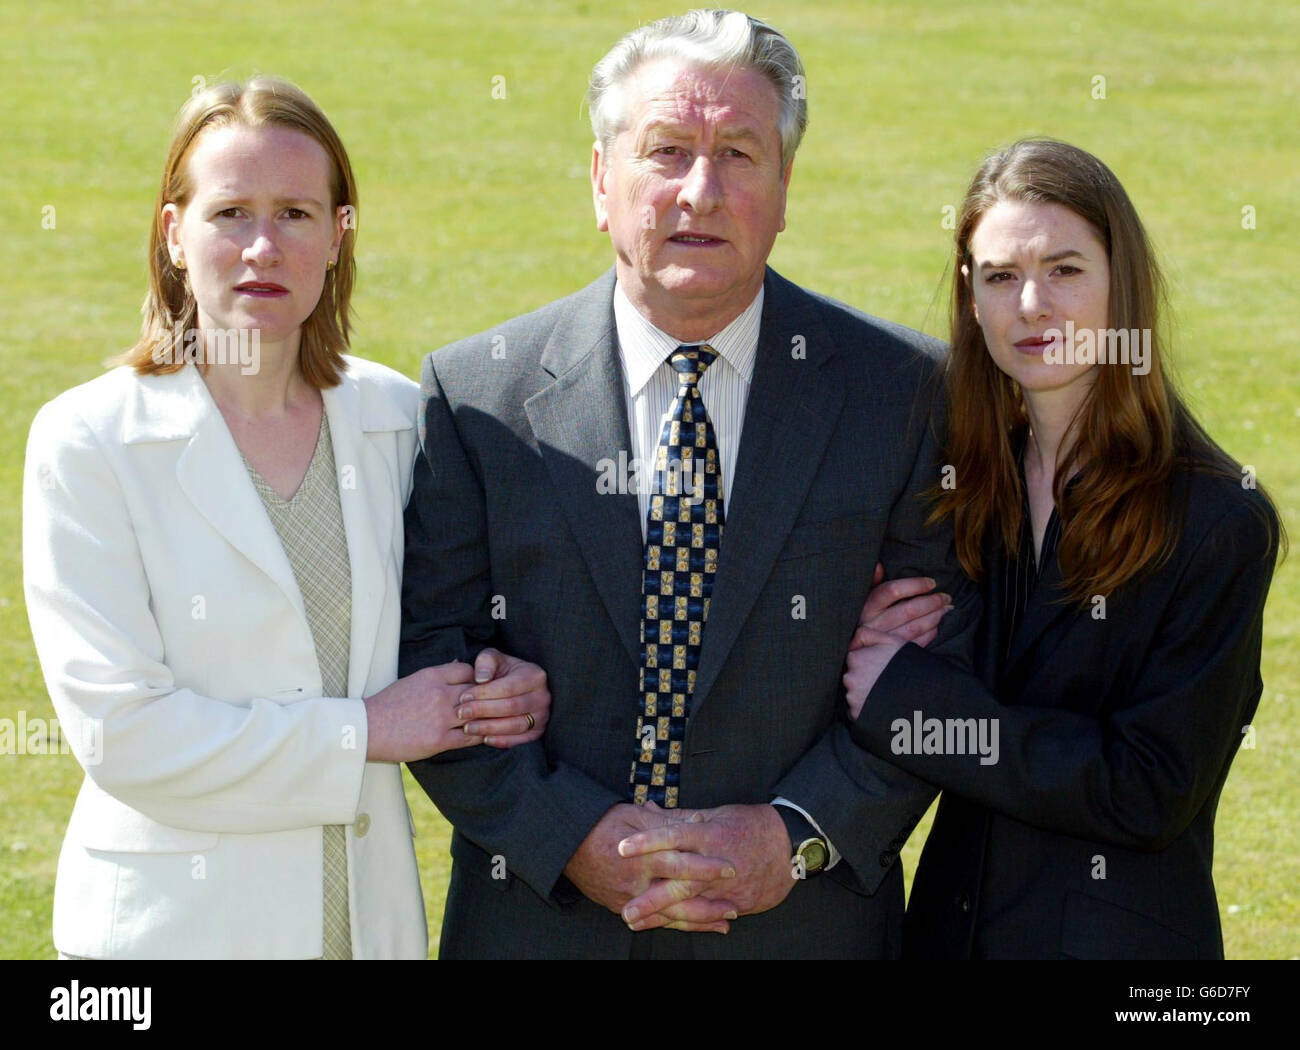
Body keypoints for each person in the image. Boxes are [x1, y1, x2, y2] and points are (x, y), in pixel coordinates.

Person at [399, 9, 978, 959]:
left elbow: (942, 671)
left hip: (803, 930)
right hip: (541, 929)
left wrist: (796, 834)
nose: (700, 191)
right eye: (666, 151)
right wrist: (573, 836)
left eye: (740, 155)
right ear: (601, 180)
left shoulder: (905, 393)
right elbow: (432, 656)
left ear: (785, 188)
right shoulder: (478, 397)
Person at [22, 76, 551, 960]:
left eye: (298, 214)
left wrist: (494, 690)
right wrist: (367, 732)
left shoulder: (399, 418)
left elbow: (444, 633)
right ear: (173, 236)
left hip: (367, 928)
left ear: (340, 235)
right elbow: (125, 733)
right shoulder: (88, 440)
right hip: (167, 940)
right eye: (230, 213)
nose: (263, 247)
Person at [843, 138, 1283, 959]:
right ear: (971, 301)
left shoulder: (1219, 521)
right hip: (946, 937)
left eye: (1066, 270)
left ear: (1125, 286)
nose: (1031, 305)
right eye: (1001, 276)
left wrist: (920, 706)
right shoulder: (965, 486)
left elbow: (1147, 788)